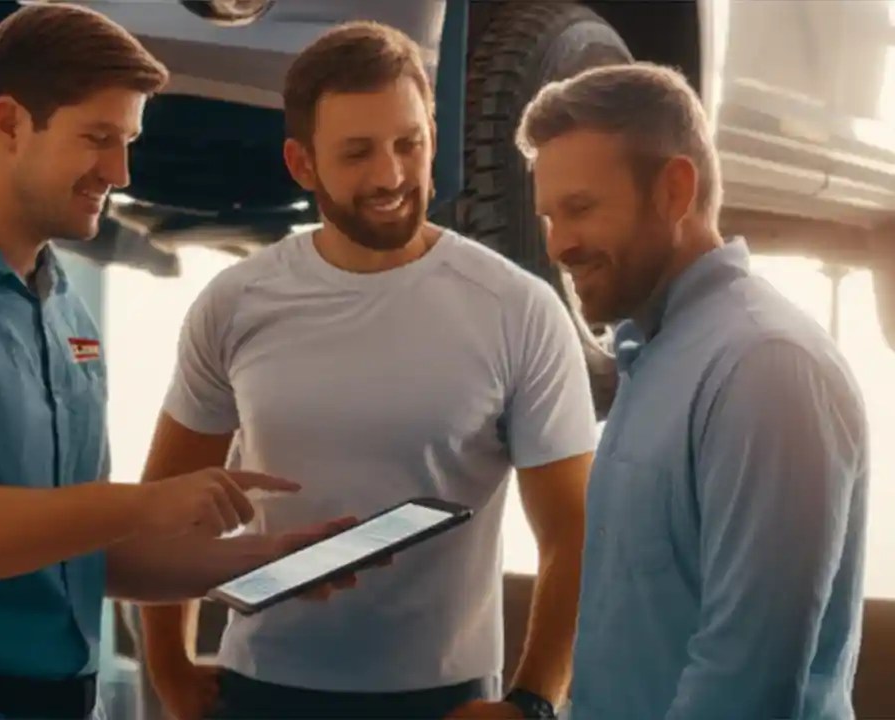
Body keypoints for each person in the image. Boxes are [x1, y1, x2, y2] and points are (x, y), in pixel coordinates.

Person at [0, 5, 359, 719]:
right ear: (8, 124)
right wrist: (141, 501)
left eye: (127, 141)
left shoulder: (65, 308)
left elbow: (83, 554)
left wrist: (268, 558)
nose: (120, 171)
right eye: (97, 138)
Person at [139, 21, 597, 720]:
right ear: (303, 163)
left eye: (408, 144)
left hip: (447, 701)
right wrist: (169, 669)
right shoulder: (237, 303)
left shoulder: (518, 310)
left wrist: (533, 703)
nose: (389, 176)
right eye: (356, 153)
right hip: (261, 692)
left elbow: (574, 531)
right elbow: (168, 501)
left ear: (433, 137)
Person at [517, 62, 870, 719]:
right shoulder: (653, 358)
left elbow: (743, 688)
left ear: (675, 190)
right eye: (548, 217)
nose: (560, 244)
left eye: (581, 209)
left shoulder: (765, 369)